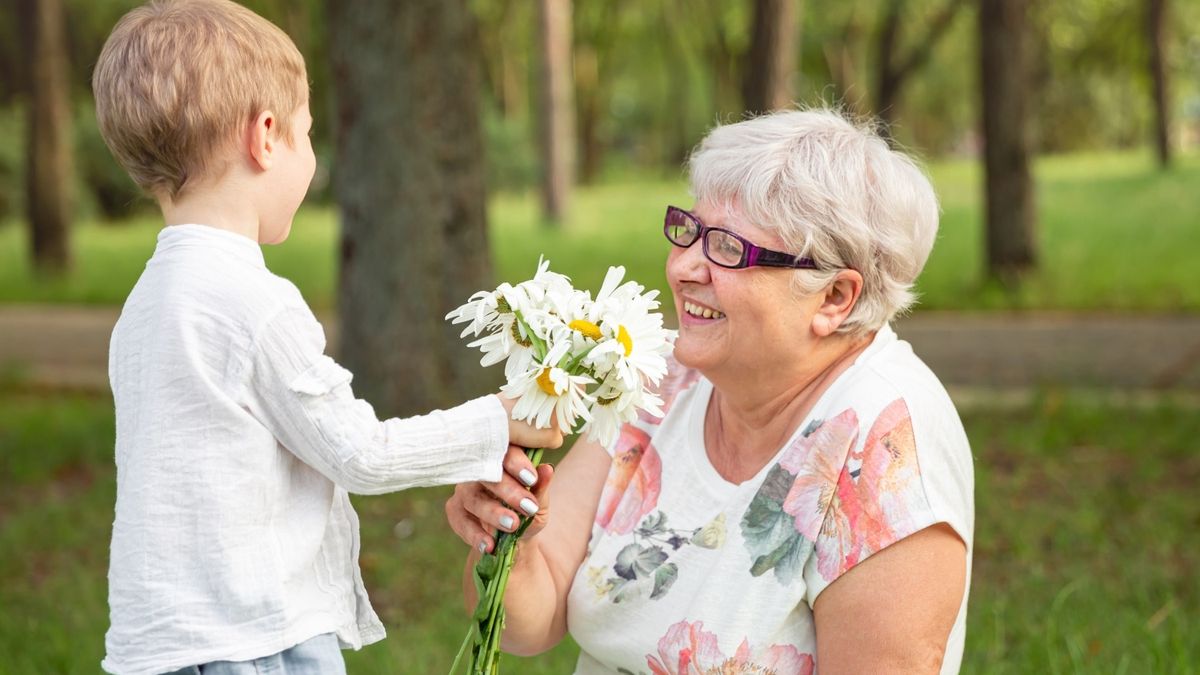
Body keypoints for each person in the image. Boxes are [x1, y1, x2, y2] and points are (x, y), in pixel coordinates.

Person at [91, 2, 557, 673]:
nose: (310, 155)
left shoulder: (145, 304)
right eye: (307, 134)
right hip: (253, 644)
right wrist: (494, 422)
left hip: (161, 645)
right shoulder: (254, 303)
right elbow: (360, 453)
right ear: (266, 136)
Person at [445, 108, 974, 674]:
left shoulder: (889, 455)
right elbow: (528, 620)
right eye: (690, 231)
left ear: (834, 299)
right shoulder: (661, 380)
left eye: (728, 249)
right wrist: (511, 539)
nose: (683, 268)